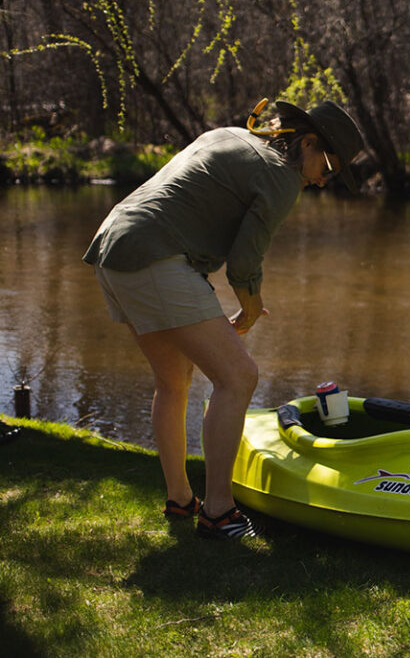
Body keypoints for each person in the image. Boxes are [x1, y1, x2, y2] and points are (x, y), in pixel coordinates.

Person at [83, 99, 364, 539]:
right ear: (306, 142)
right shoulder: (281, 175)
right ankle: (218, 512)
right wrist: (250, 307)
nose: (324, 180)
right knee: (239, 378)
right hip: (156, 256)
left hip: (114, 247)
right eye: (327, 166)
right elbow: (244, 262)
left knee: (173, 381)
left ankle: (180, 499)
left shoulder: (229, 135)